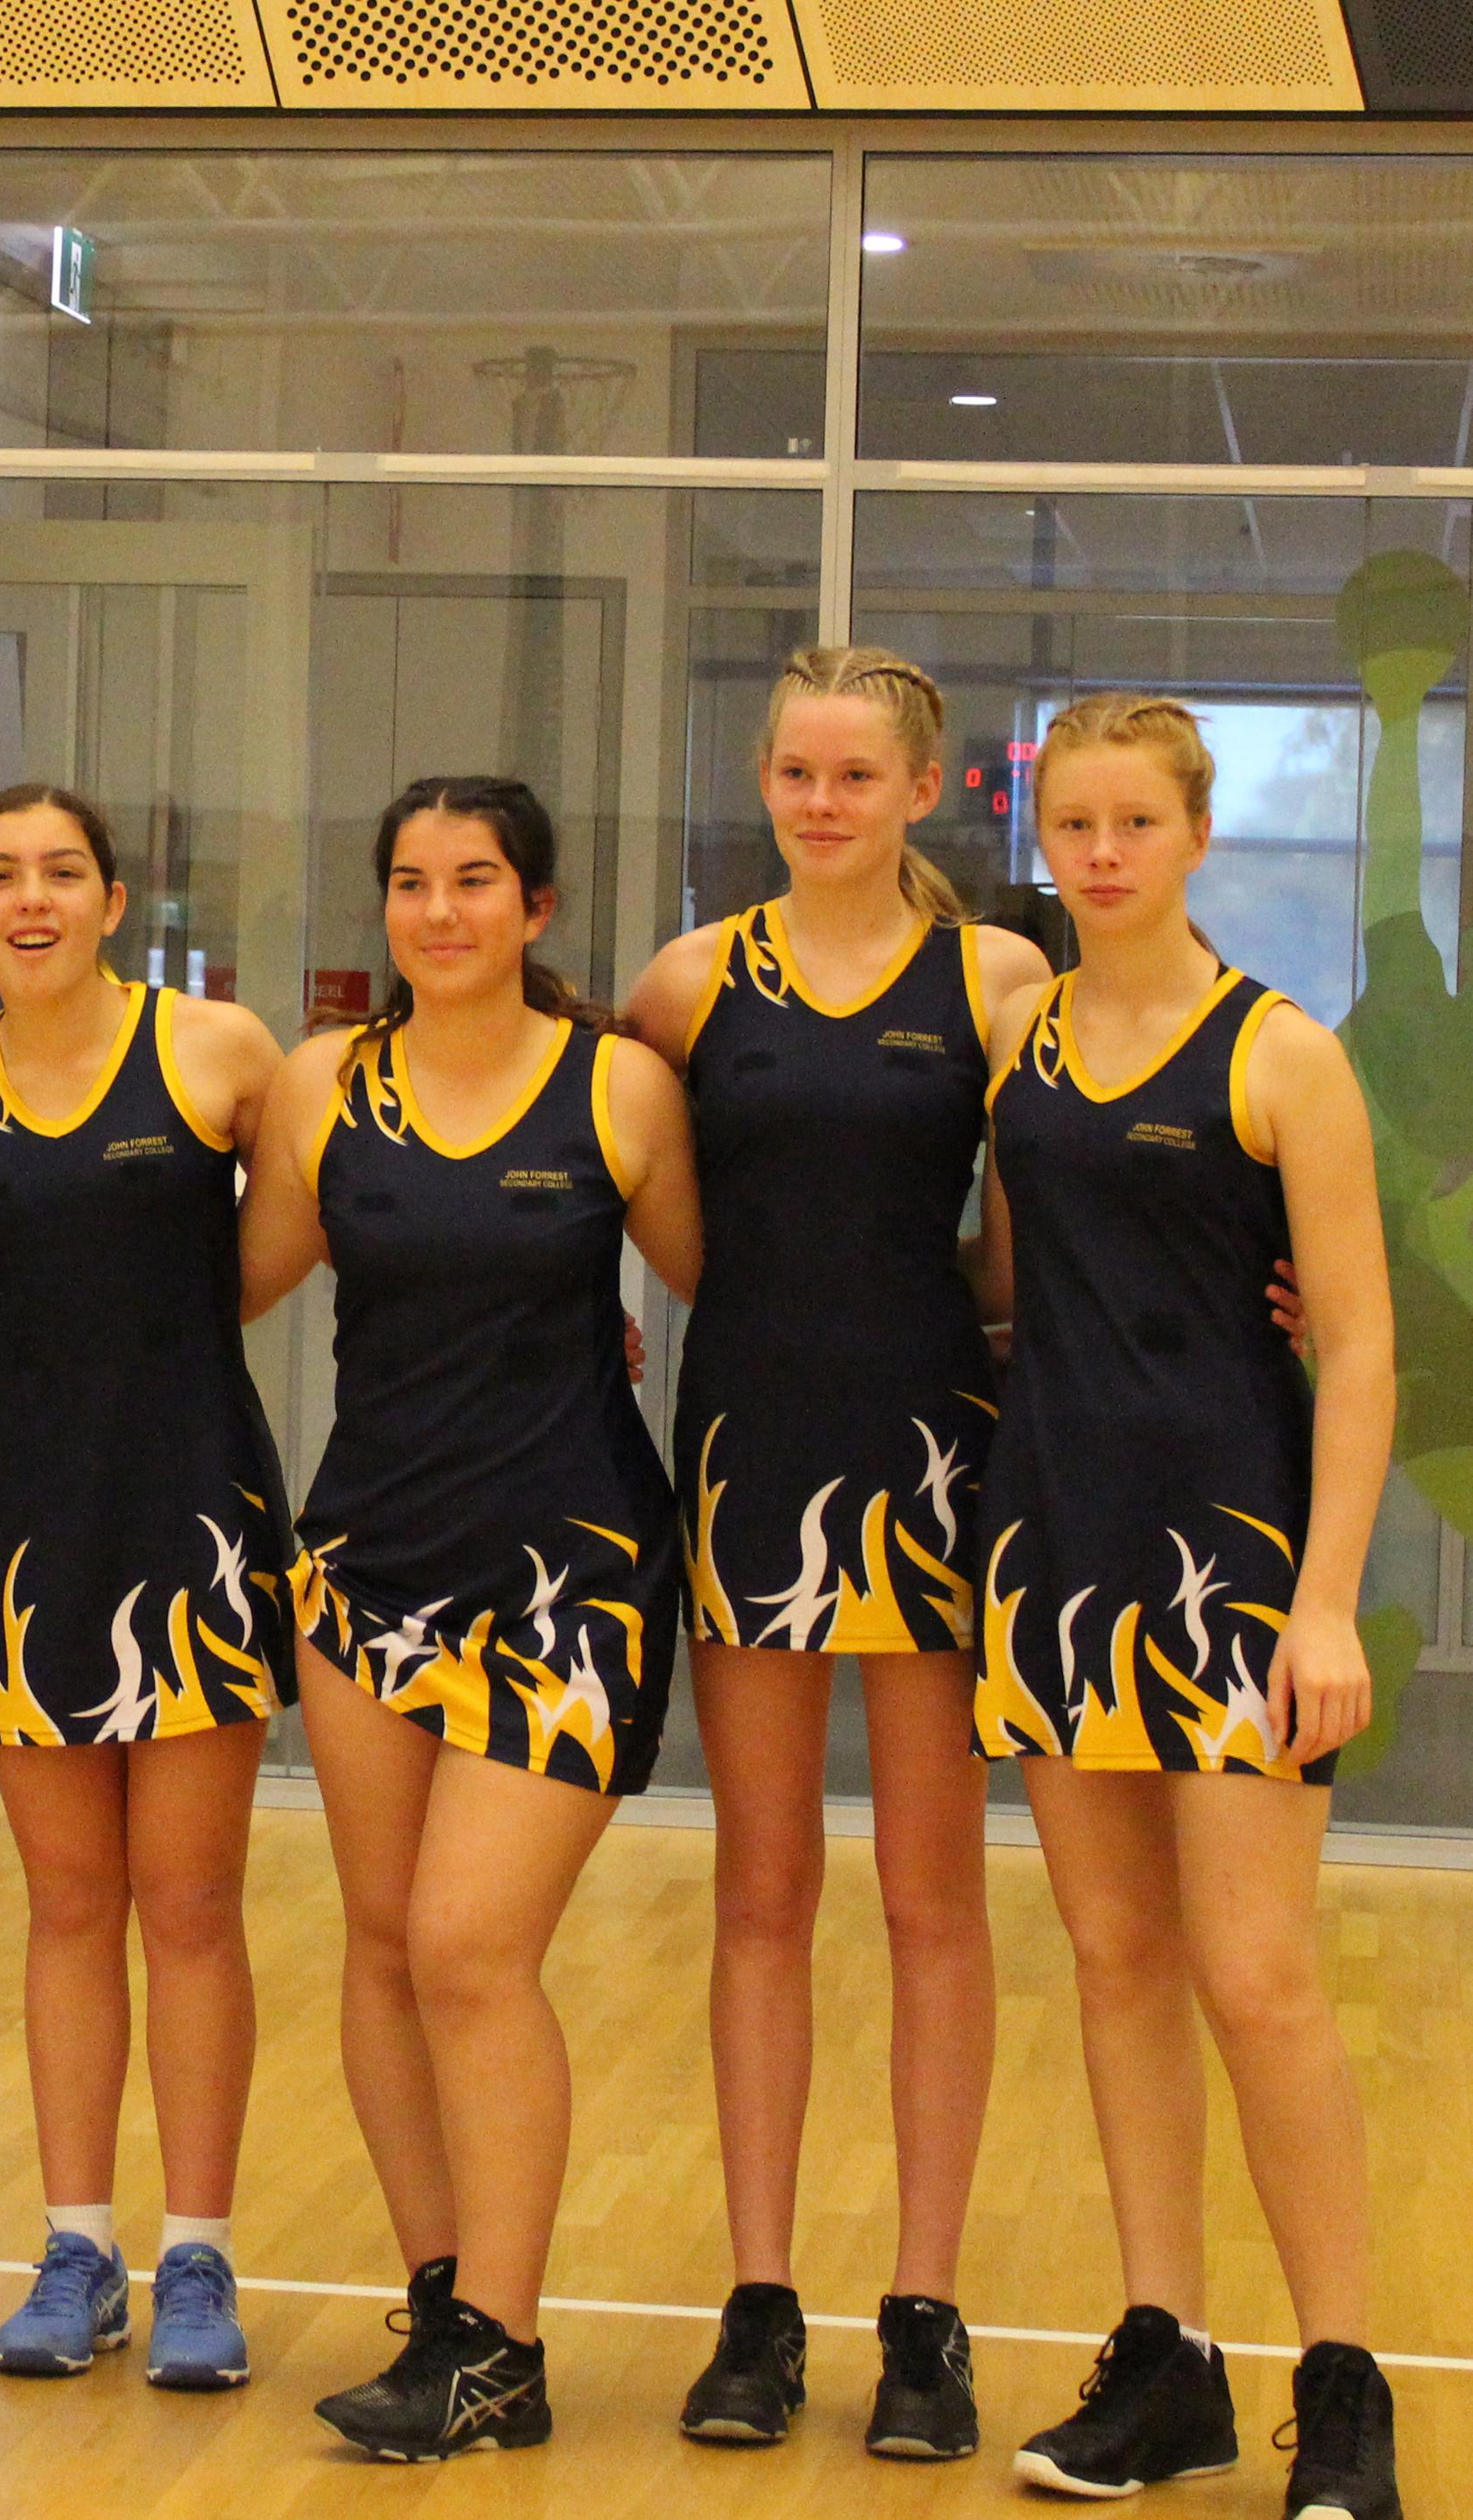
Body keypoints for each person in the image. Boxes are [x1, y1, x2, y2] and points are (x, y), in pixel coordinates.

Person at [237, 774, 702, 2460]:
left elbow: (755, 1283)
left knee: (468, 1948)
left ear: (535, 906)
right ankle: (442, 2311)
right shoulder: (319, 1087)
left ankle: (505, 2340)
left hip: (569, 1569)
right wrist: (15, 1316)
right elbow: (229, 1278)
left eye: (475, 880)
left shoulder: (620, 1087)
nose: (440, 912)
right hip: (362, 1562)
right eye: (412, 882)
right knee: (380, 1946)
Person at [974, 695, 1400, 2518]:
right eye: (1075, 822)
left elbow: (1363, 1338)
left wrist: (1328, 1605)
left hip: (1230, 1569)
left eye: (1136, 822)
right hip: (1051, 1548)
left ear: (1196, 835)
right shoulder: (1017, 1033)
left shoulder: (1284, 1054)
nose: (1103, 852)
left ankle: (1349, 2385)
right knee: (1119, 1962)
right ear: (1042, 830)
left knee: (1257, 1977)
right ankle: (1167, 2363)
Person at [619, 646, 1048, 2455]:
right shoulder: (689, 983)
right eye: (797, 771)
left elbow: (1044, 1240)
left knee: (936, 1897)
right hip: (750, 1452)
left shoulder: (1003, 979)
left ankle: (928, 2316)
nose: (820, 801)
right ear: (765, 780)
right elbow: (616, 1194)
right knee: (763, 1890)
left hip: (939, 1460)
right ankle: (763, 2301)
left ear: (923, 788)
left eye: (855, 775)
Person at [0, 784, 293, 2389]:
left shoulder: (218, 1053)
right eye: (0, 875)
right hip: (35, 1522)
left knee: (189, 1906)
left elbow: (310, 1233)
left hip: (194, 1507)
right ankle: (77, 2246)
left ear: (115, 898)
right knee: (68, 1905)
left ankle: (196, 2256)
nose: (31, 897)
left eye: (62, 870)